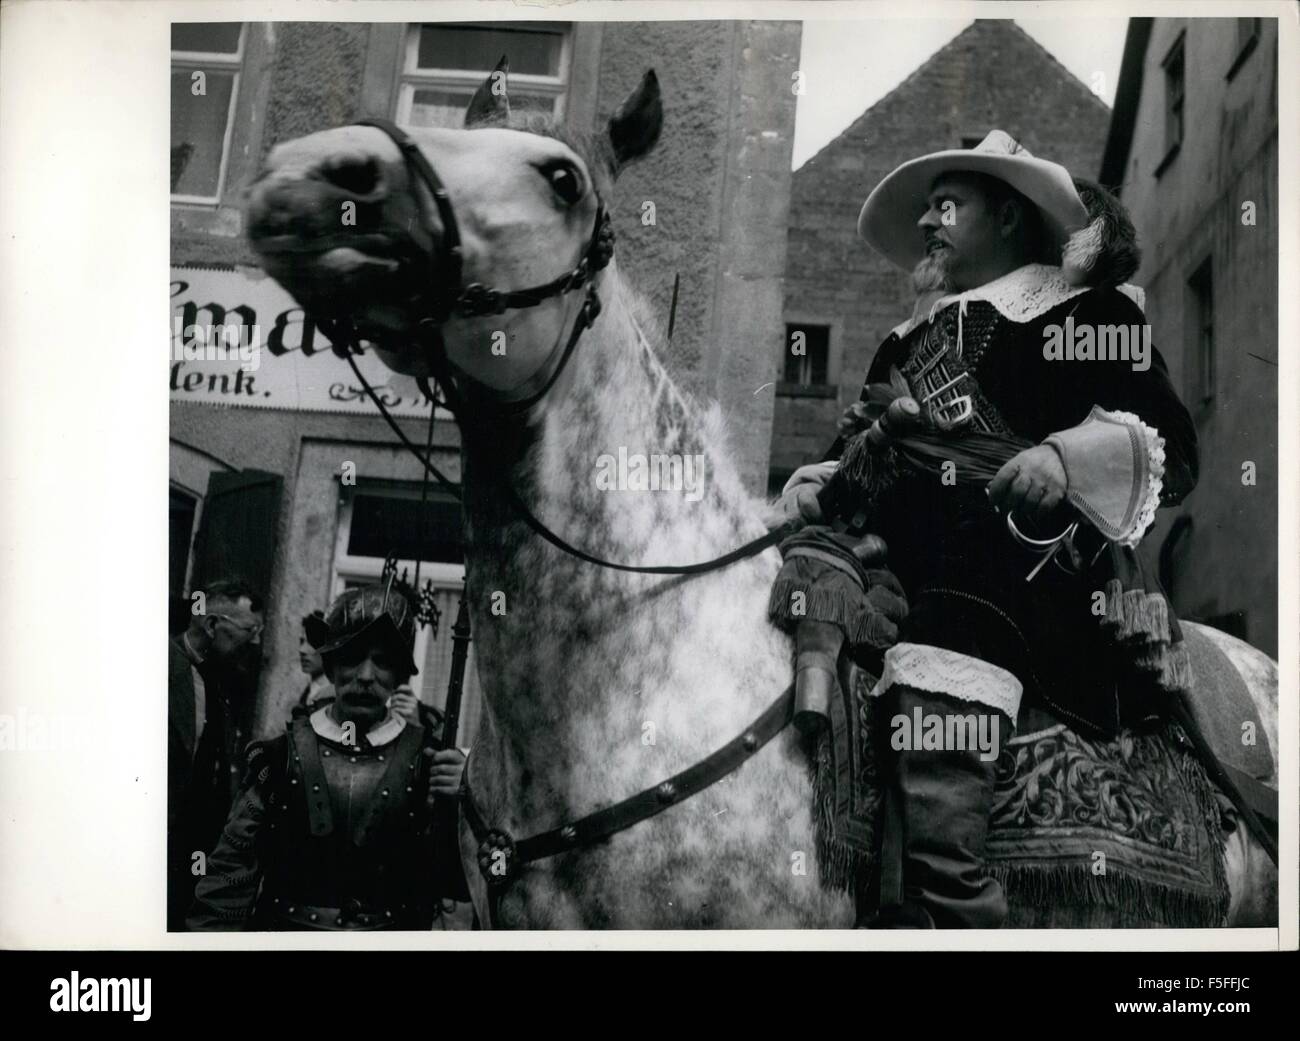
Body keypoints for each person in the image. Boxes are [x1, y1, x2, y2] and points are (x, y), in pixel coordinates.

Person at [771, 130, 1197, 928]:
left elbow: (1174, 449)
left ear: (1005, 217)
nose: (929, 223)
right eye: (927, 209)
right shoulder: (905, 343)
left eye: (947, 205)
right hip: (897, 578)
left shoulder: (1088, 317)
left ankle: (950, 902)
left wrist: (1066, 459)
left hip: (1035, 590)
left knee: (954, 608)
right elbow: (854, 469)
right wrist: (811, 493)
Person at [187, 580, 468, 930]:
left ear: (398, 676)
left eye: (382, 662)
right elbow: (228, 883)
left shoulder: (429, 763)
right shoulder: (278, 759)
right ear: (332, 666)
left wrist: (459, 804)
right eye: (351, 659)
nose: (366, 676)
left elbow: (457, 886)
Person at [168, 578, 265, 930]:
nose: (255, 643)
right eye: (249, 630)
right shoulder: (157, 669)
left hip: (201, 849)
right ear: (212, 625)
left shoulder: (227, 682)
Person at [291, 610, 334, 720]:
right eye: (301, 642)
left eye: (311, 643)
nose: (302, 650)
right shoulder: (311, 690)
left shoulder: (332, 697)